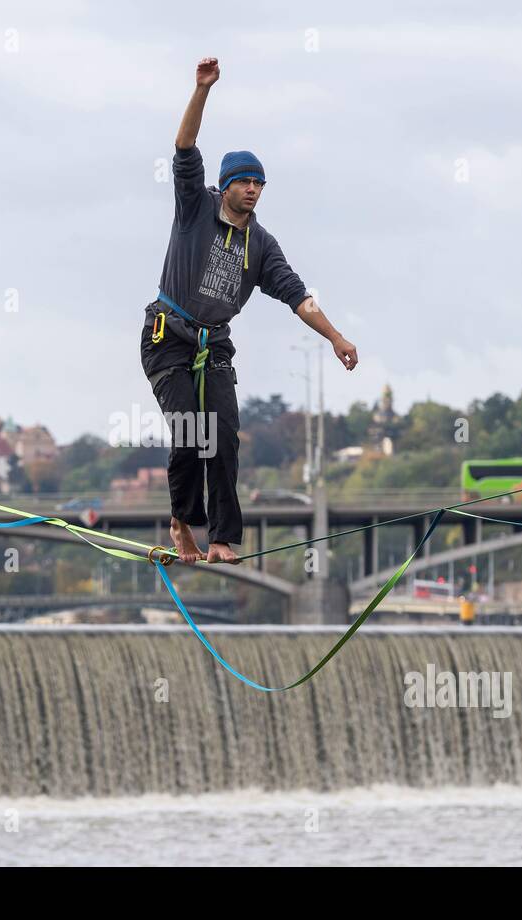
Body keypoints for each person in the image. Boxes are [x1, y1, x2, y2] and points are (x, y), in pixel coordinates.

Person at [140, 56, 358, 565]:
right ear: (228, 185)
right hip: (166, 336)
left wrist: (336, 337)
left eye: (260, 183)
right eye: (245, 182)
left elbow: (299, 297)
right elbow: (184, 148)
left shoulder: (260, 244)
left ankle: (221, 539)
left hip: (213, 344)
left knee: (224, 438)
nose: (253, 190)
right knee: (192, 433)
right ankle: (182, 526)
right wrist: (202, 91)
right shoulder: (195, 205)